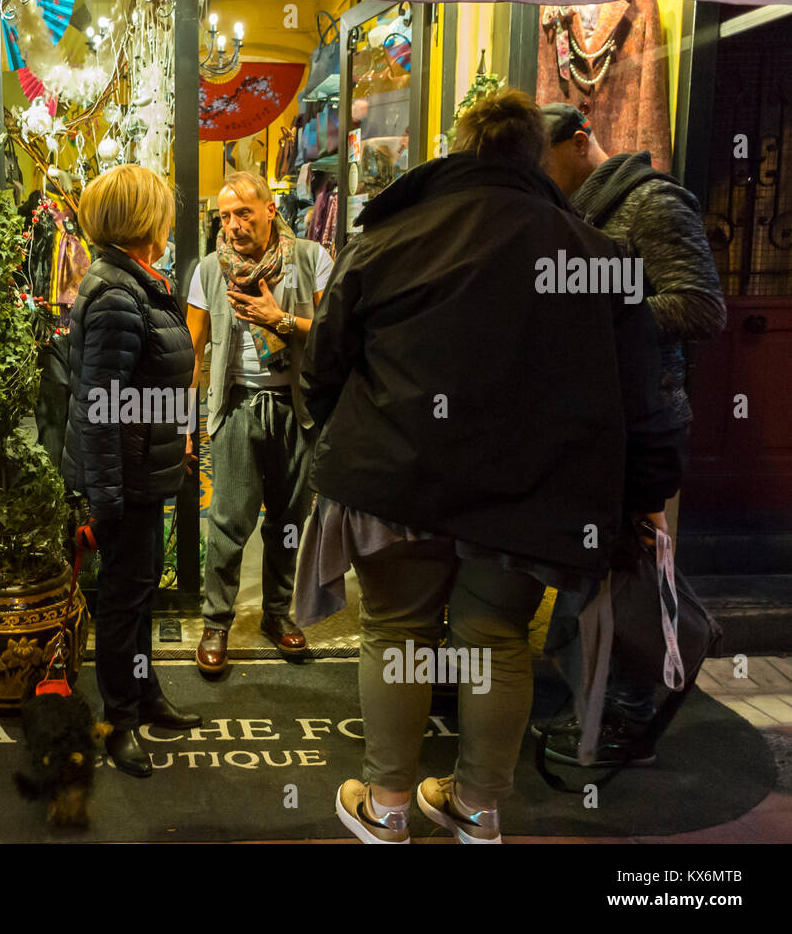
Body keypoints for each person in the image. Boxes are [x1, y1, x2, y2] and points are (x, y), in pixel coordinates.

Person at [299, 89, 685, 843]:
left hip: (396, 478)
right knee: (495, 639)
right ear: (538, 159)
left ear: (459, 150)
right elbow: (647, 395)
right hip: (533, 493)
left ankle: (386, 808)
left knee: (397, 634)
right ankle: (477, 808)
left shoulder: (386, 240)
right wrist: (646, 493)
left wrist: (335, 438)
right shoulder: (598, 258)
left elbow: (325, 366)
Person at [538, 103, 725, 767]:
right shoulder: (576, 208)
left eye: (541, 157)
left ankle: (628, 719)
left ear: (580, 139)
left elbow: (702, 306)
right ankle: (597, 703)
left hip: (642, 427)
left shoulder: (649, 202)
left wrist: (600, 318)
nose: (536, 172)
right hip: (596, 424)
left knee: (627, 573)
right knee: (596, 568)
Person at [61, 164, 202, 778]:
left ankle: (144, 695)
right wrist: (106, 502)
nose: (170, 218)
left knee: (140, 598)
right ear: (145, 218)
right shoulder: (119, 294)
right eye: (164, 209)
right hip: (123, 483)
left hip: (144, 472)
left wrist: (176, 435)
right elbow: (99, 410)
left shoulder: (135, 281)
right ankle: (118, 721)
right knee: (122, 604)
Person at [186, 171, 333, 674]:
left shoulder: (312, 259)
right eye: (225, 216)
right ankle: (217, 622)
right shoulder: (209, 270)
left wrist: (280, 320)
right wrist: (189, 424)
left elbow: (334, 338)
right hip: (236, 406)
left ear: (270, 210)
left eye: (243, 213)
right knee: (228, 520)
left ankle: (277, 613)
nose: (232, 225)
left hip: (297, 410)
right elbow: (193, 350)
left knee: (289, 520)